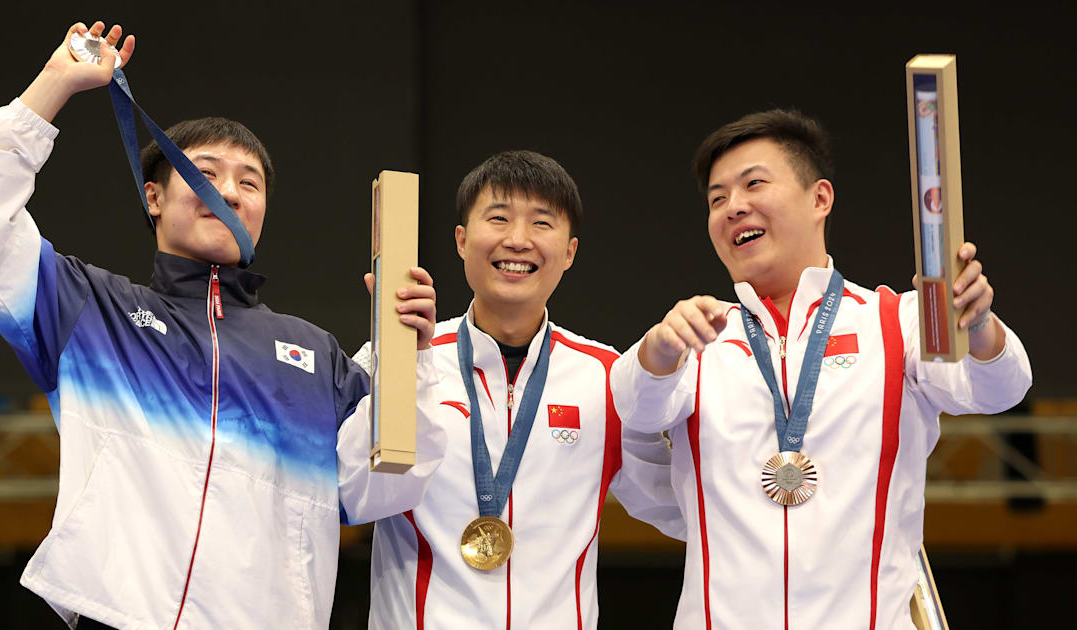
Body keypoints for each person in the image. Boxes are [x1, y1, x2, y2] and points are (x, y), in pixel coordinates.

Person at [0, 21, 445, 630]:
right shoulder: (89, 310)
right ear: (153, 196)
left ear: (261, 213)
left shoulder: (317, 355)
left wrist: (410, 362)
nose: (227, 189)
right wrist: (55, 84)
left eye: (248, 183)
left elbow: (374, 491)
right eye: (205, 170)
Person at [609, 109, 1031, 629]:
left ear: (820, 199)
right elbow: (632, 410)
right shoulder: (699, 338)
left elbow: (998, 389)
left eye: (753, 184)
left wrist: (979, 322)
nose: (733, 207)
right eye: (717, 199)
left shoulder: (896, 321)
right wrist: (658, 351)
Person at [352, 150, 684, 629]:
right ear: (462, 240)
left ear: (569, 252)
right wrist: (405, 367)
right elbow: (348, 497)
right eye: (499, 217)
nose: (518, 239)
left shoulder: (605, 377)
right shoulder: (401, 354)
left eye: (542, 223)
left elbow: (677, 505)